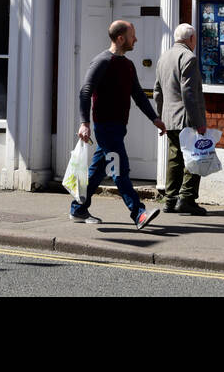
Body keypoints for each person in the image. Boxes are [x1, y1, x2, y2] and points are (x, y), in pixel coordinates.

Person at [70, 19, 166, 229]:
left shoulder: (128, 65)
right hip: (105, 127)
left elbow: (138, 95)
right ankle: (138, 213)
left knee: (96, 172)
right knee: (120, 169)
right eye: (133, 35)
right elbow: (85, 91)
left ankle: (78, 209)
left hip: (118, 127)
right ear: (121, 38)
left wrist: (155, 118)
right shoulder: (102, 61)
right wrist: (84, 122)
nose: (136, 39)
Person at [154, 22, 209, 215]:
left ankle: (169, 200)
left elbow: (157, 92)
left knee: (175, 159)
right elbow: (189, 94)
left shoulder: (164, 57)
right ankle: (186, 199)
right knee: (195, 157)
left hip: (170, 118)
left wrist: (161, 117)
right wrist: (199, 123)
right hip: (187, 118)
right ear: (191, 39)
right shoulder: (189, 58)